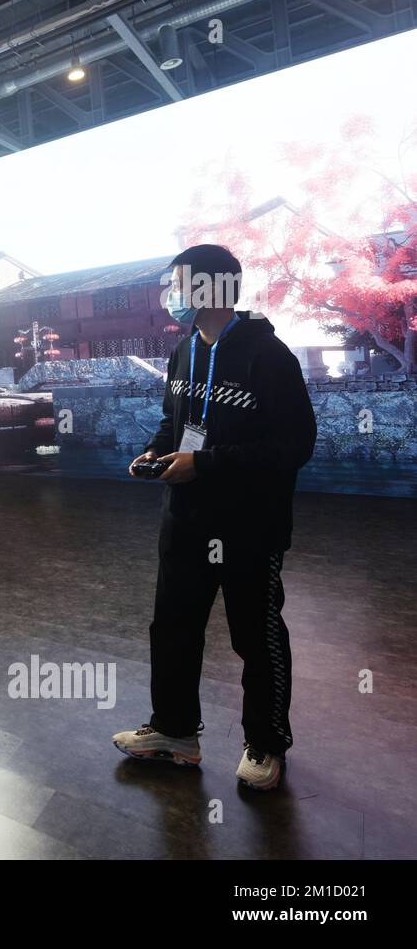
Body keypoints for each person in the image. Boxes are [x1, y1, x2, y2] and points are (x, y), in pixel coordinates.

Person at [114, 244, 317, 791]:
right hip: (184, 520)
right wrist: (155, 454)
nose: (169, 294)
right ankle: (174, 732)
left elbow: (294, 445)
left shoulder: (270, 357)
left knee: (257, 636)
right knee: (174, 628)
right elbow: (172, 420)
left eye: (176, 282)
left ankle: (266, 744)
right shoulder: (183, 352)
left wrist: (203, 463)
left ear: (209, 288)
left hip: (250, 525)